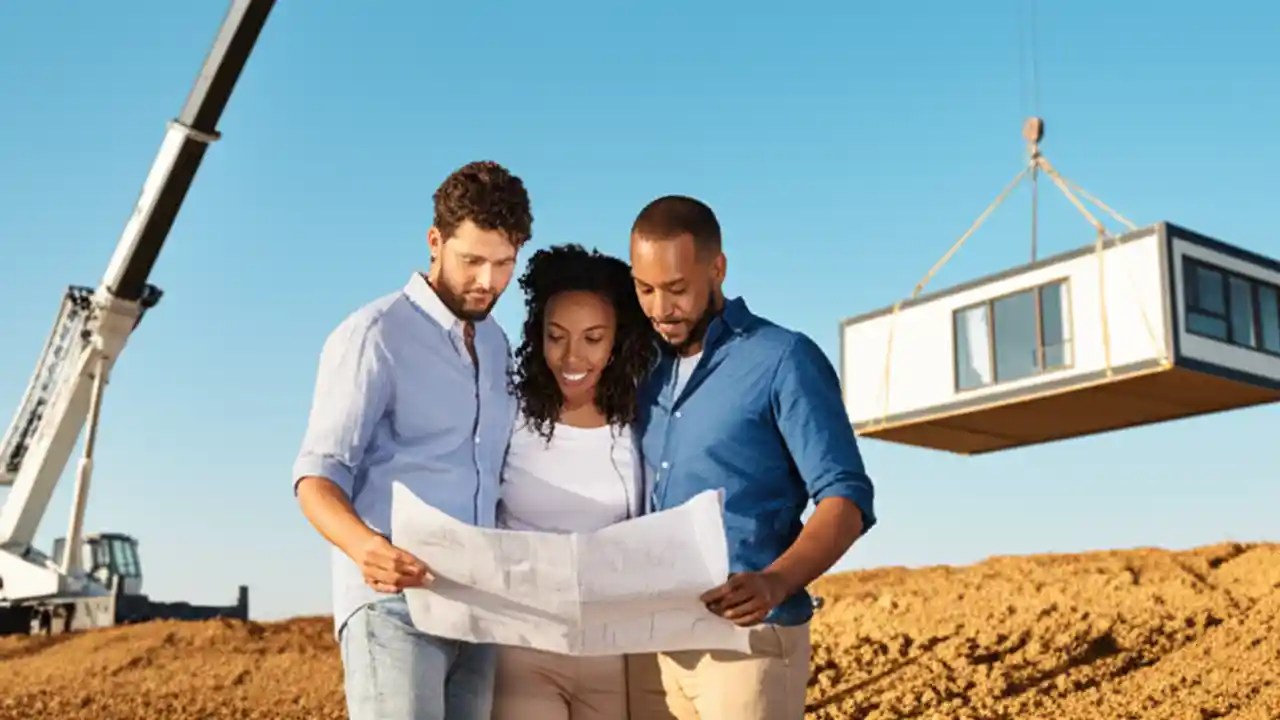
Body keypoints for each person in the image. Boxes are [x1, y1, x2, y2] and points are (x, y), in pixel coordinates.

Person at [290, 160, 533, 720]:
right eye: (472, 260)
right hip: (393, 606)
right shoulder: (375, 335)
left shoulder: (496, 345)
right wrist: (363, 548)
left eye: (503, 264)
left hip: (477, 608)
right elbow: (316, 477)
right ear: (435, 242)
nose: (487, 281)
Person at [624, 195, 877, 720]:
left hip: (747, 645)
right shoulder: (642, 371)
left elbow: (846, 499)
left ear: (717, 269)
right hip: (654, 647)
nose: (660, 309)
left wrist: (776, 581)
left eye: (677, 289)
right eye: (645, 289)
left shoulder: (784, 358)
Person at [491, 242, 658, 720]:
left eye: (592, 338)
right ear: (537, 335)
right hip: (522, 644)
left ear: (617, 341)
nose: (571, 356)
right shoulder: (510, 414)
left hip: (611, 650)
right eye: (556, 336)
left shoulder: (638, 425)